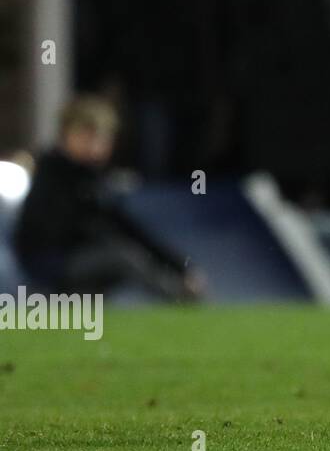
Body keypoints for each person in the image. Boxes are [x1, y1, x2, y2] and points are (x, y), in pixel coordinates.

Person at [12, 96, 203, 301]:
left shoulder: (92, 178)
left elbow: (128, 229)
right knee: (120, 257)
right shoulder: (52, 172)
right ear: (67, 134)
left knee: (118, 254)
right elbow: (54, 230)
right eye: (88, 136)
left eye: (102, 138)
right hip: (50, 265)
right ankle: (180, 300)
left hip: (75, 262)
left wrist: (180, 266)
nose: (96, 145)